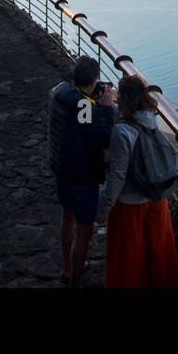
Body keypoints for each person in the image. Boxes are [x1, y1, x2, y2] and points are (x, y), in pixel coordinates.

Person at [96, 74, 178, 288]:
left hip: (129, 203)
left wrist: (105, 206)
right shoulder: (152, 119)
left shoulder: (121, 131)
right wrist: (110, 110)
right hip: (155, 197)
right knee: (158, 255)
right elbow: (130, 117)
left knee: (129, 259)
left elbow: (118, 173)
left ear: (123, 98)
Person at [46, 57, 115, 287]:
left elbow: (80, 116)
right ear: (94, 79)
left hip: (61, 168)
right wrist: (106, 109)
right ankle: (75, 281)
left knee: (67, 216)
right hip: (82, 176)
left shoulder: (60, 91)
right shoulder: (84, 106)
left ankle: (67, 267)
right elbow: (102, 137)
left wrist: (92, 95)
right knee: (84, 230)